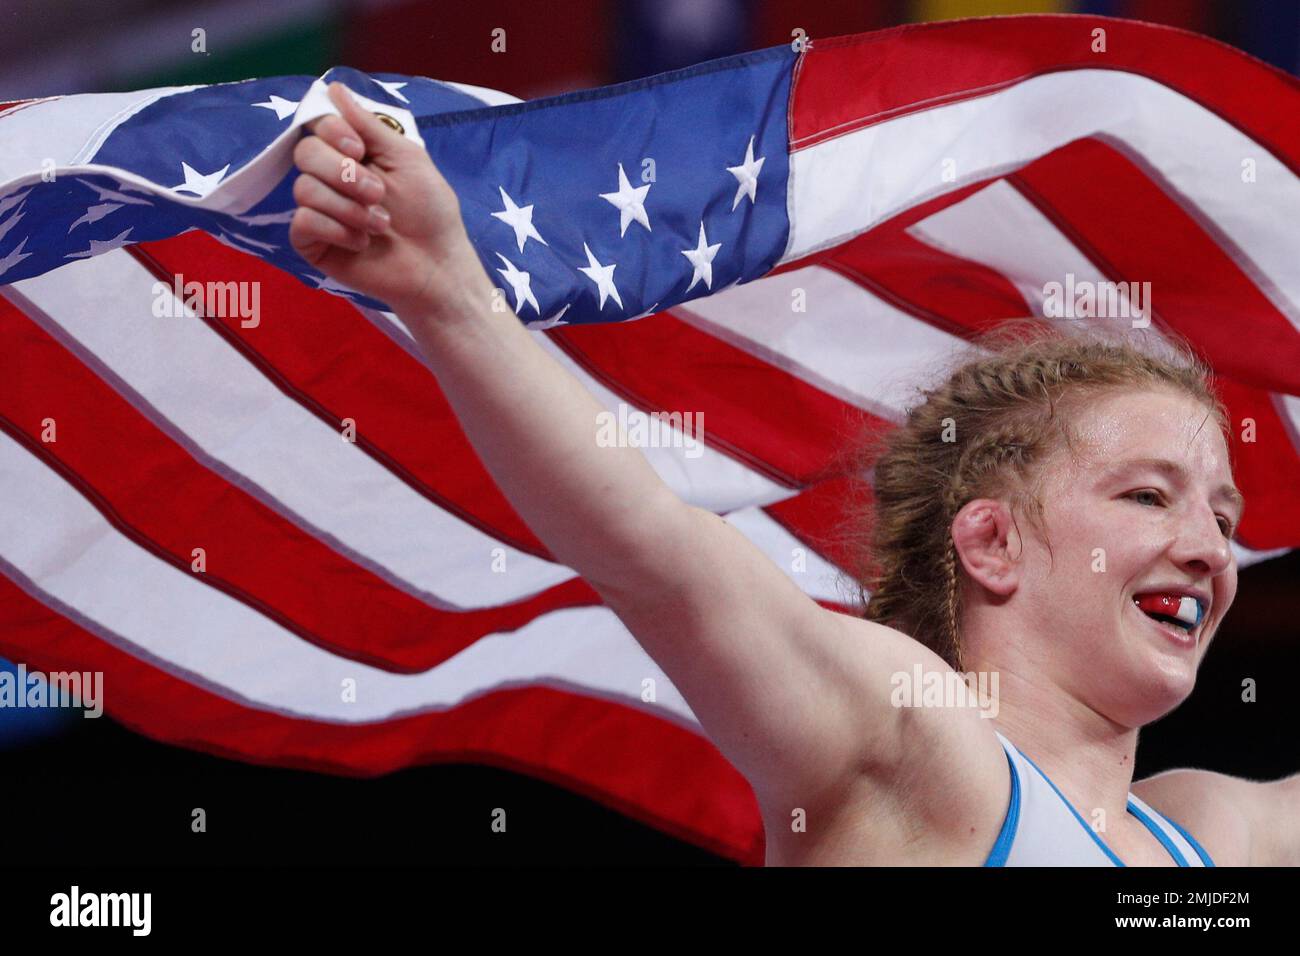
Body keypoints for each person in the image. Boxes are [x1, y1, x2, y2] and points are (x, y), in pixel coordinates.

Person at [288, 81, 1298, 866]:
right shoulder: (915, 740)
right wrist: (449, 292)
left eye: (1221, 510)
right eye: (1146, 494)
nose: (1210, 549)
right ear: (992, 540)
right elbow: (651, 545)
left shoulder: (1202, 841)